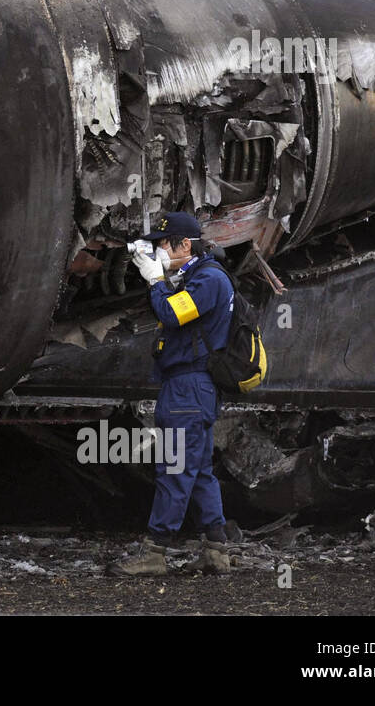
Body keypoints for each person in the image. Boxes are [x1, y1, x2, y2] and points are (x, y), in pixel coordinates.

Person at [108, 211, 233, 576]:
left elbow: (172, 315)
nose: (161, 249)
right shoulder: (200, 276)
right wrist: (167, 276)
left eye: (165, 243)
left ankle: (155, 552)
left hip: (189, 387)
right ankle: (216, 549)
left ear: (185, 244)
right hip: (193, 386)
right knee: (199, 471)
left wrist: (155, 280)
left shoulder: (209, 279)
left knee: (175, 467)